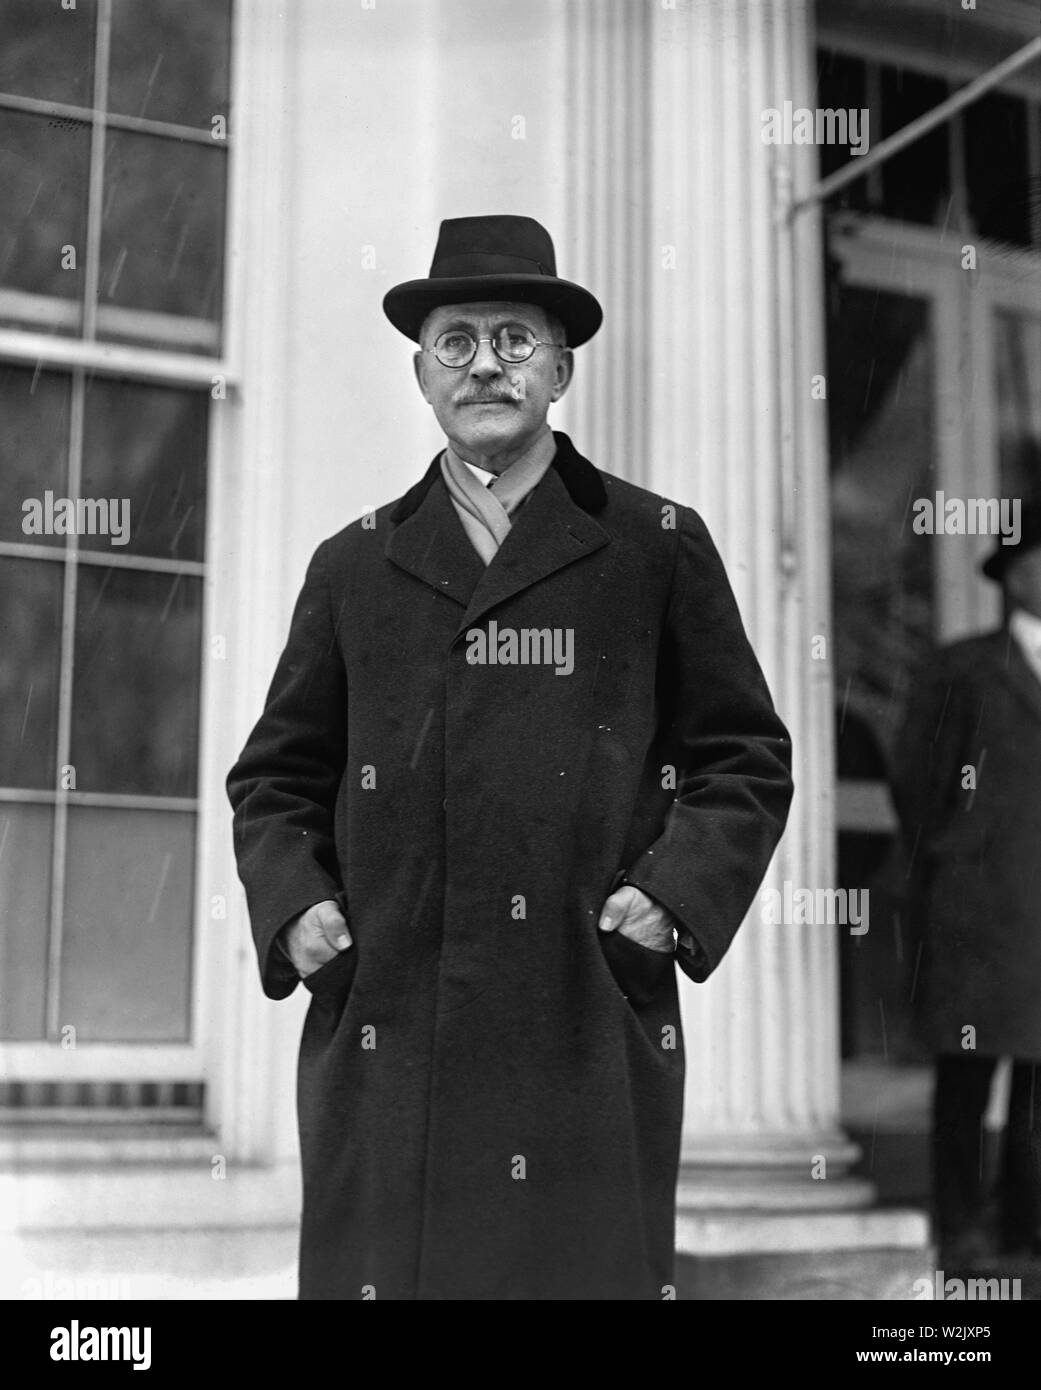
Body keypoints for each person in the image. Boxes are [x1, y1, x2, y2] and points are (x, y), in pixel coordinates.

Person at [226, 214, 793, 1300]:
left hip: (580, 1018)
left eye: (515, 338)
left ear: (563, 366)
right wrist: (298, 908)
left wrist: (666, 901)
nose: (485, 362)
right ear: (421, 373)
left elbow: (744, 756)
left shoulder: (656, 546)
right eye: (456, 341)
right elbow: (277, 778)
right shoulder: (353, 564)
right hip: (391, 1028)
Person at [894, 504, 1041, 1264]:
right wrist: (954, 851)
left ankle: (1026, 1226)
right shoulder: (963, 668)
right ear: (1012, 578)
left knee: (1037, 1081)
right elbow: (916, 779)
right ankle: (958, 1226)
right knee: (966, 1069)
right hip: (978, 906)